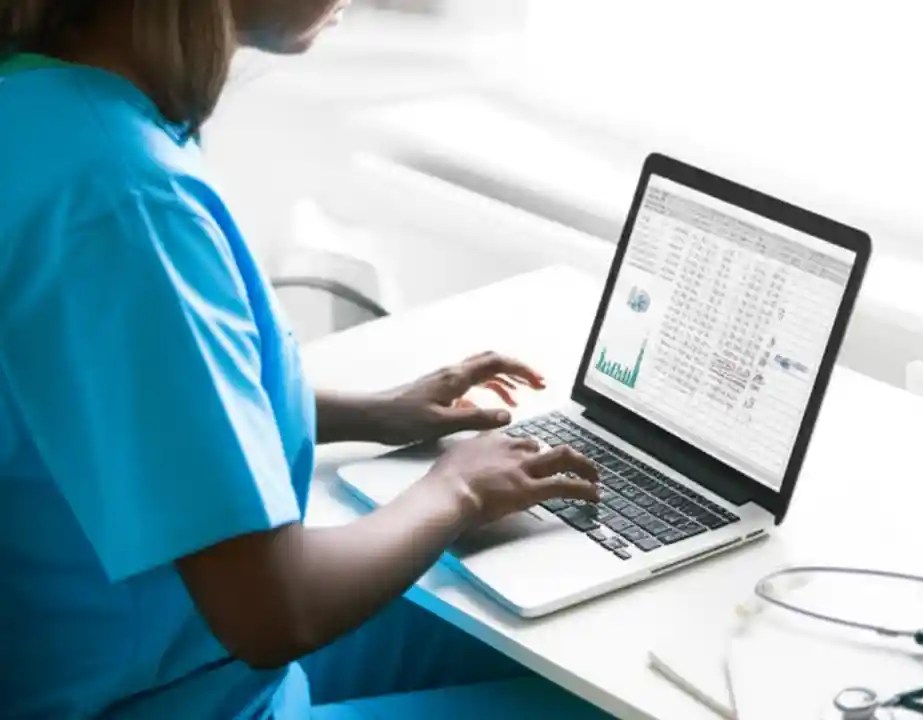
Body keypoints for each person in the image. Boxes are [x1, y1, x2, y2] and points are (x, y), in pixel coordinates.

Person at [0, 2, 610, 717]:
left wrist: (372, 413)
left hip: (145, 661)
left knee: (533, 637)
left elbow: (110, 405)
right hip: (186, 692)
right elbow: (271, 612)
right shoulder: (125, 197)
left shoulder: (45, 108)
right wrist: (458, 492)